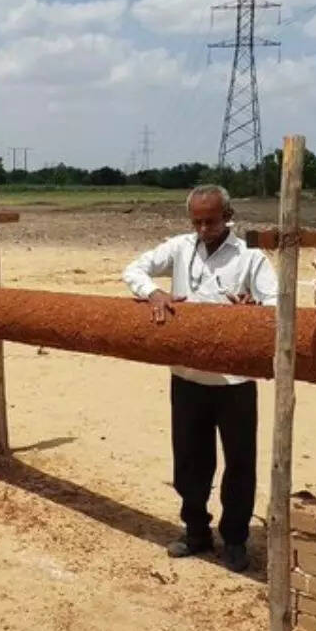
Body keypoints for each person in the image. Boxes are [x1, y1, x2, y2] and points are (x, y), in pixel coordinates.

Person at [121, 185, 278, 570]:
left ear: (229, 216)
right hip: (187, 375)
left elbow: (277, 302)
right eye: (197, 222)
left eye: (211, 221)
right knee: (190, 461)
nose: (204, 229)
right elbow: (133, 269)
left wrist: (256, 310)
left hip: (234, 382)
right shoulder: (179, 248)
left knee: (239, 464)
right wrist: (154, 293)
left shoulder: (250, 256)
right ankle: (195, 531)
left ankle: (236, 539)